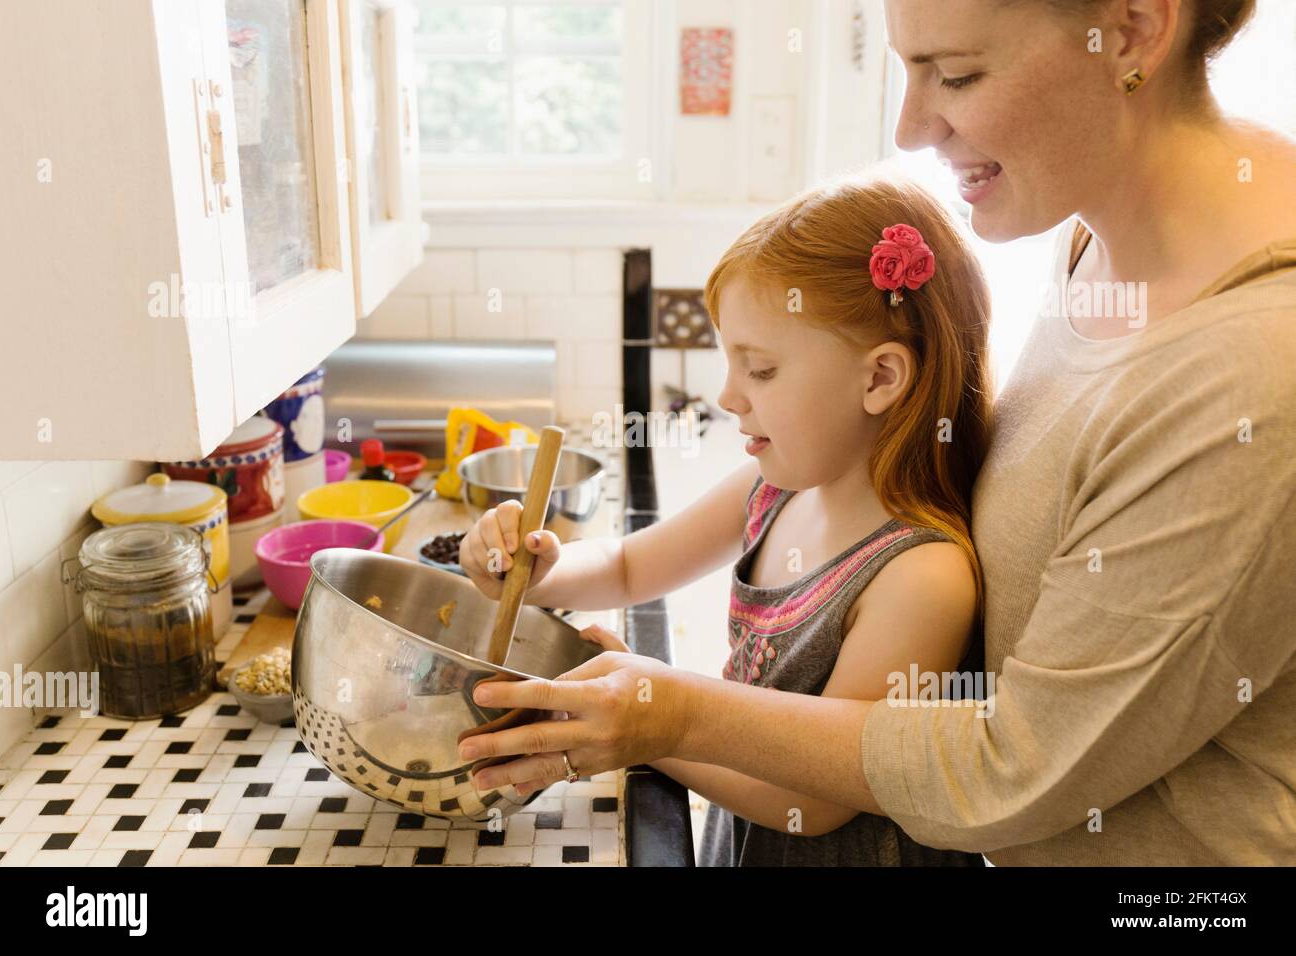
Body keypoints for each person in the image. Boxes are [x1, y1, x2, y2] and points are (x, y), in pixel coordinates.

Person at [455, 0, 1296, 865]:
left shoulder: (1257, 373)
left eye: (959, 73)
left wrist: (670, 716)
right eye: (906, 67)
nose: (909, 124)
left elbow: (1011, 766)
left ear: (1131, 28)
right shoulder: (1091, 236)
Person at [462, 175, 995, 865]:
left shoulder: (922, 576)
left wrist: (651, 721)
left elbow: (818, 802)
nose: (727, 397)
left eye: (762, 370)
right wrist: (543, 571)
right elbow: (628, 566)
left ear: (880, 378)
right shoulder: (776, 490)